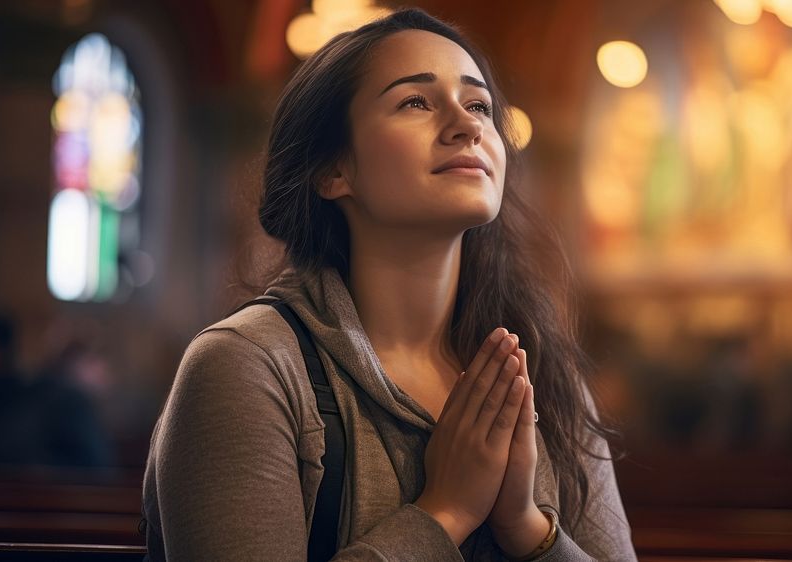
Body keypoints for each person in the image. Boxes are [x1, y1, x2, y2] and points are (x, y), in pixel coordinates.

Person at [142, 8, 636, 560]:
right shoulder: (246, 368)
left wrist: (526, 527)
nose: (468, 125)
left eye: (478, 105)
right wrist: (446, 511)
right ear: (334, 171)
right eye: (416, 102)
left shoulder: (542, 370)